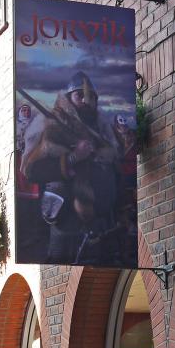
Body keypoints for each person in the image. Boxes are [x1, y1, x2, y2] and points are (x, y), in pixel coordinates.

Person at [21, 71, 131, 266]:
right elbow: (31, 169)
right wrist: (72, 157)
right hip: (68, 225)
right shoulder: (51, 125)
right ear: (69, 98)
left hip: (105, 224)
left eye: (90, 97)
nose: (85, 100)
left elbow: (115, 172)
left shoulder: (104, 132)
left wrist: (122, 210)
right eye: (79, 95)